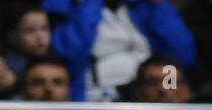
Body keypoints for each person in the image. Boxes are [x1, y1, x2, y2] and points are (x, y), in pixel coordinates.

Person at [44, 0, 197, 102]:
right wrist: (89, 4)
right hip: (96, 99)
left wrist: (157, 5)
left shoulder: (147, 8)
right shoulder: (77, 8)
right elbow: (70, 54)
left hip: (147, 97)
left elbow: (182, 56)